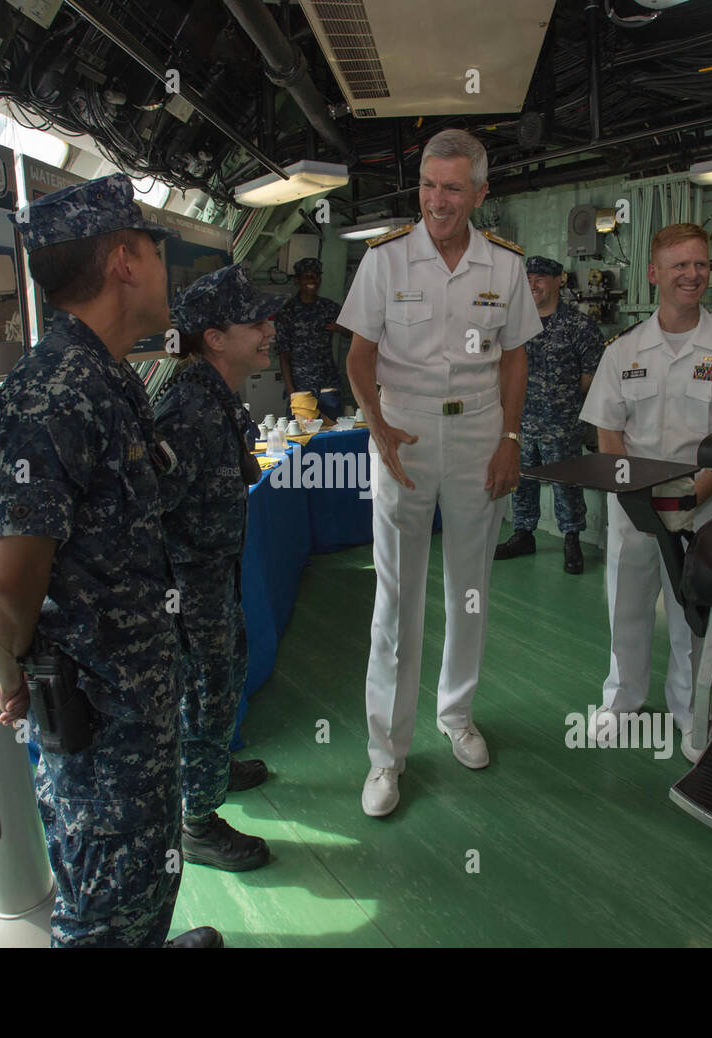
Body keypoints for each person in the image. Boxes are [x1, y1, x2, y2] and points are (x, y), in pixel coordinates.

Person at [0, 174, 219, 948]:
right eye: (154, 248)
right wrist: (9, 676)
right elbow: (9, 580)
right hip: (100, 716)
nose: (162, 267)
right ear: (123, 260)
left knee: (146, 870)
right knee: (103, 901)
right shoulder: (51, 397)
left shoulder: (108, 379)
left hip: (137, 693)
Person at [338, 128, 543, 817]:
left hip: (480, 427)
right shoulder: (386, 259)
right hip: (404, 430)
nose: (437, 200)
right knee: (396, 598)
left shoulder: (504, 266)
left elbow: (515, 356)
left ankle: (456, 716)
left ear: (480, 193)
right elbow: (359, 359)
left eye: (453, 187)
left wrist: (510, 437)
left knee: (470, 588)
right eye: (428, 185)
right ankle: (386, 756)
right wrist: (375, 424)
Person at [580, 223, 712, 761]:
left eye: (701, 265)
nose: (693, 275)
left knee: (693, 615)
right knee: (626, 605)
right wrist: (639, 494)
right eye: (680, 265)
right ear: (654, 274)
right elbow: (608, 430)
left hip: (705, 506)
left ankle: (691, 711)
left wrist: (691, 494)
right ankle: (621, 700)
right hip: (633, 506)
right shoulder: (623, 351)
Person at [157, 264, 285, 872]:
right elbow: (150, 513)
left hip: (213, 574)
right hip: (189, 586)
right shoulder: (186, 410)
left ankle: (210, 770)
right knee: (206, 695)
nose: (269, 330)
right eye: (254, 321)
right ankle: (196, 824)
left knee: (221, 683)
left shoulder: (215, 395)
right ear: (213, 337)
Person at [495, 255, 602, 573]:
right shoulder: (512, 325)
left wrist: (561, 401)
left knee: (567, 484)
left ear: (559, 281)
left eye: (541, 278)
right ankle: (523, 533)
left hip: (562, 423)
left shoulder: (578, 325)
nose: (533, 284)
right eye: (528, 279)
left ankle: (572, 539)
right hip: (520, 421)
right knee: (521, 480)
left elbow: (592, 375)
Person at [276, 256, 347, 421]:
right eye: (306, 276)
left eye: (315, 276)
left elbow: (353, 332)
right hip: (301, 387)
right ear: (297, 280)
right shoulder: (287, 312)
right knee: (303, 437)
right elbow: (283, 355)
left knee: (334, 430)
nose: (312, 280)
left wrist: (340, 328)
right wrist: (291, 391)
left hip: (328, 384)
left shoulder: (328, 308)